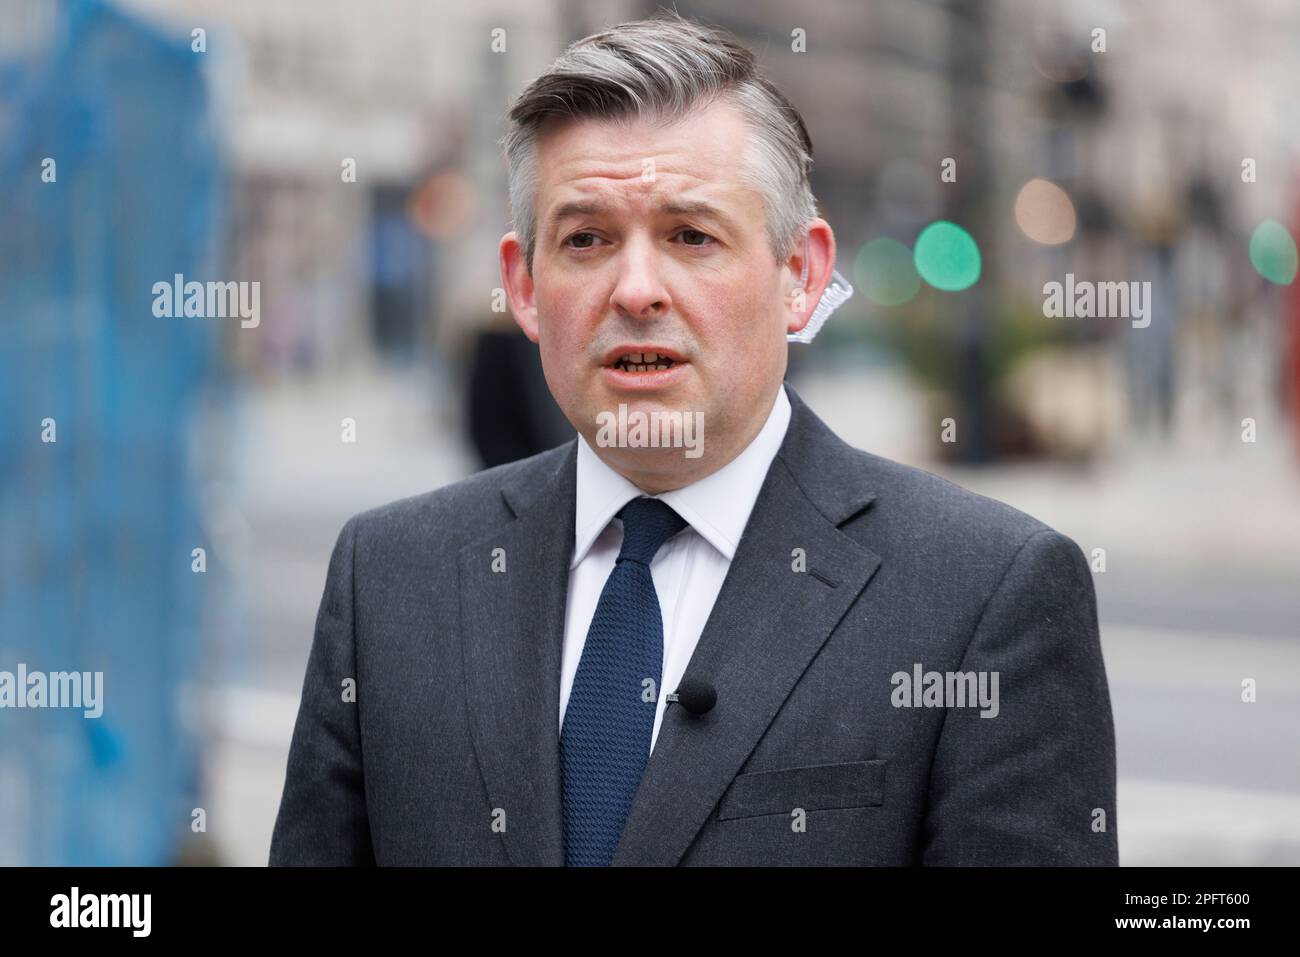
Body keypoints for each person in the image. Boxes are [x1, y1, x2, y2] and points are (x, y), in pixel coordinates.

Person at [270, 11, 1117, 866]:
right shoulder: (387, 578)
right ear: (525, 287)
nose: (637, 288)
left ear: (801, 275)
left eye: (692, 236)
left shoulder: (987, 594)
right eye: (587, 238)